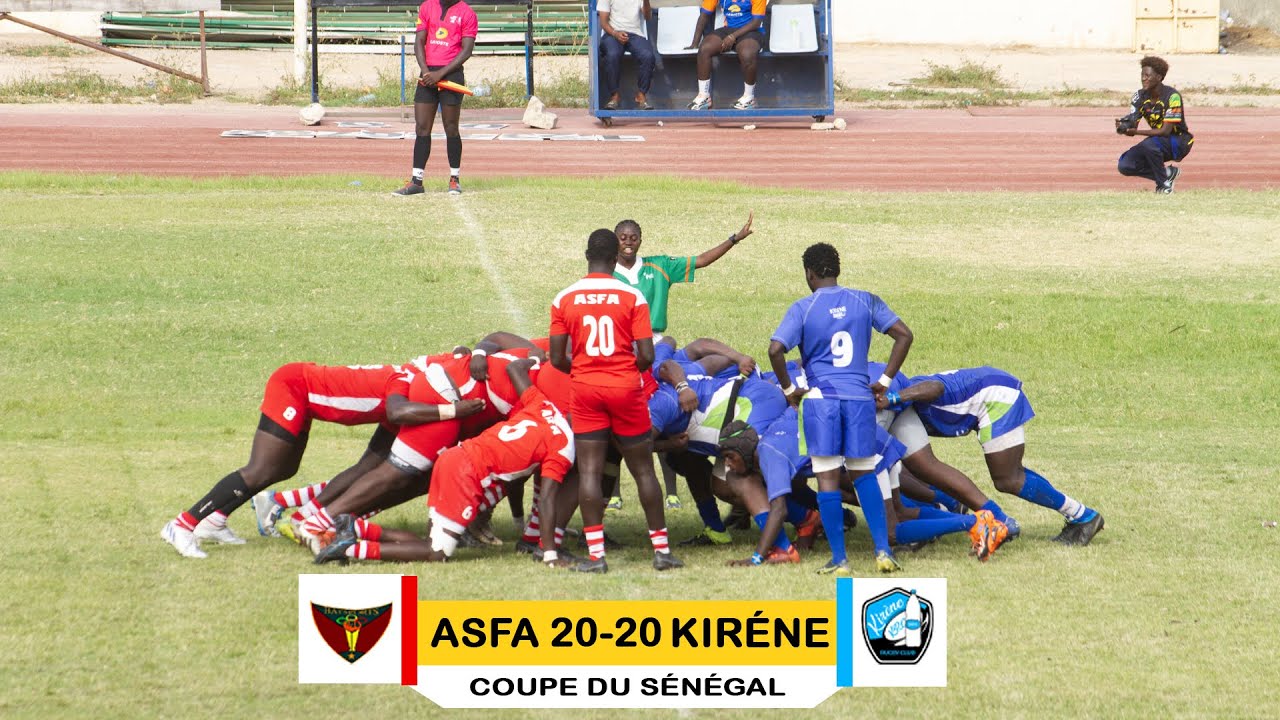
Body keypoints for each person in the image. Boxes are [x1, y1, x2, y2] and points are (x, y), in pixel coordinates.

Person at [160, 361, 457, 558]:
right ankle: (183, 524)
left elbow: (371, 462)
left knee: (285, 468)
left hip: (302, 392)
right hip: (293, 386)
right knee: (261, 469)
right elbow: (396, 412)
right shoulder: (403, 388)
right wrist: (453, 412)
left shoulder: (415, 381)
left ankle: (214, 521)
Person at [315, 359, 575, 564]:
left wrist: (535, 359)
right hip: (466, 472)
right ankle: (351, 548)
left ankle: (354, 527)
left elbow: (515, 368)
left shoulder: (544, 406)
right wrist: (550, 552)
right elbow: (547, 498)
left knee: (432, 539)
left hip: (452, 457)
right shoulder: (564, 444)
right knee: (436, 551)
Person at [767, 241, 914, 574]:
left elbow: (776, 349)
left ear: (809, 273)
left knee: (828, 480)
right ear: (837, 269)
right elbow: (904, 335)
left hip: (822, 402)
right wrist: (887, 379)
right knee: (864, 475)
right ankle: (882, 551)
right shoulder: (864, 299)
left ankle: (840, 559)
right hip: (860, 399)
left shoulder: (803, 308)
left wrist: (790, 389)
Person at [549, 228, 683, 573]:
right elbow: (647, 354)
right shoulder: (631, 296)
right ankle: (661, 552)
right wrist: (624, 369)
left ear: (586, 256)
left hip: (586, 390)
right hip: (625, 388)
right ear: (613, 259)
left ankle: (596, 557)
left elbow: (556, 358)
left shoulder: (564, 298)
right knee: (643, 470)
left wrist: (584, 368)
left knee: (590, 471)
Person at [606, 215, 753, 511]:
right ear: (615, 240)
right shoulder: (605, 274)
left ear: (641, 239)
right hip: (623, 351)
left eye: (633, 236)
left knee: (664, 411)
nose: (628, 242)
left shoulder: (659, 265)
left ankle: (671, 491)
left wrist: (734, 239)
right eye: (623, 237)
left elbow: (700, 261)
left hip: (656, 346)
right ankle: (613, 494)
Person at [880, 366, 1105, 546]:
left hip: (995, 397)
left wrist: (894, 398)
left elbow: (936, 387)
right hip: (989, 393)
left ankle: (1083, 516)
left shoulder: (903, 394)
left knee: (1008, 479)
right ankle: (950, 508)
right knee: (910, 466)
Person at [392, 0, 478, 197]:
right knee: (422, 127)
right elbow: (419, 41)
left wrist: (440, 74)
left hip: (452, 75)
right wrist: (426, 72)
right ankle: (416, 182)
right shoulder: (427, 6)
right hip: (427, 75)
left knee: (451, 127)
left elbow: (467, 50)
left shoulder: (467, 13)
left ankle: (454, 179)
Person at [1117, 55, 1193, 194]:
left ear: (1159, 77)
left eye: (1148, 76)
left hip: (1179, 141)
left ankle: (1163, 186)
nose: (1144, 79)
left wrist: (1136, 132)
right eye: (1142, 75)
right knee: (1125, 164)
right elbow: (1133, 121)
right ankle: (1166, 174)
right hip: (1156, 142)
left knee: (1149, 145)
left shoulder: (1172, 97)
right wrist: (1124, 126)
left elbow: (1165, 131)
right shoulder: (1139, 97)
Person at [685, 0, 767, 110]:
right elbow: (704, 15)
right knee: (704, 49)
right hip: (728, 29)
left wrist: (733, 36)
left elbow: (756, 22)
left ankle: (749, 98)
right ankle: (704, 97)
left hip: (751, 30)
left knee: (747, 54)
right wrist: (695, 43)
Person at [598, 0, 656, 110]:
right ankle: (614, 96)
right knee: (612, 55)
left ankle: (641, 95)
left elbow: (647, 17)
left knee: (648, 56)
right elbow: (603, 23)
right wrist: (615, 33)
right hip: (613, 33)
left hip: (635, 34)